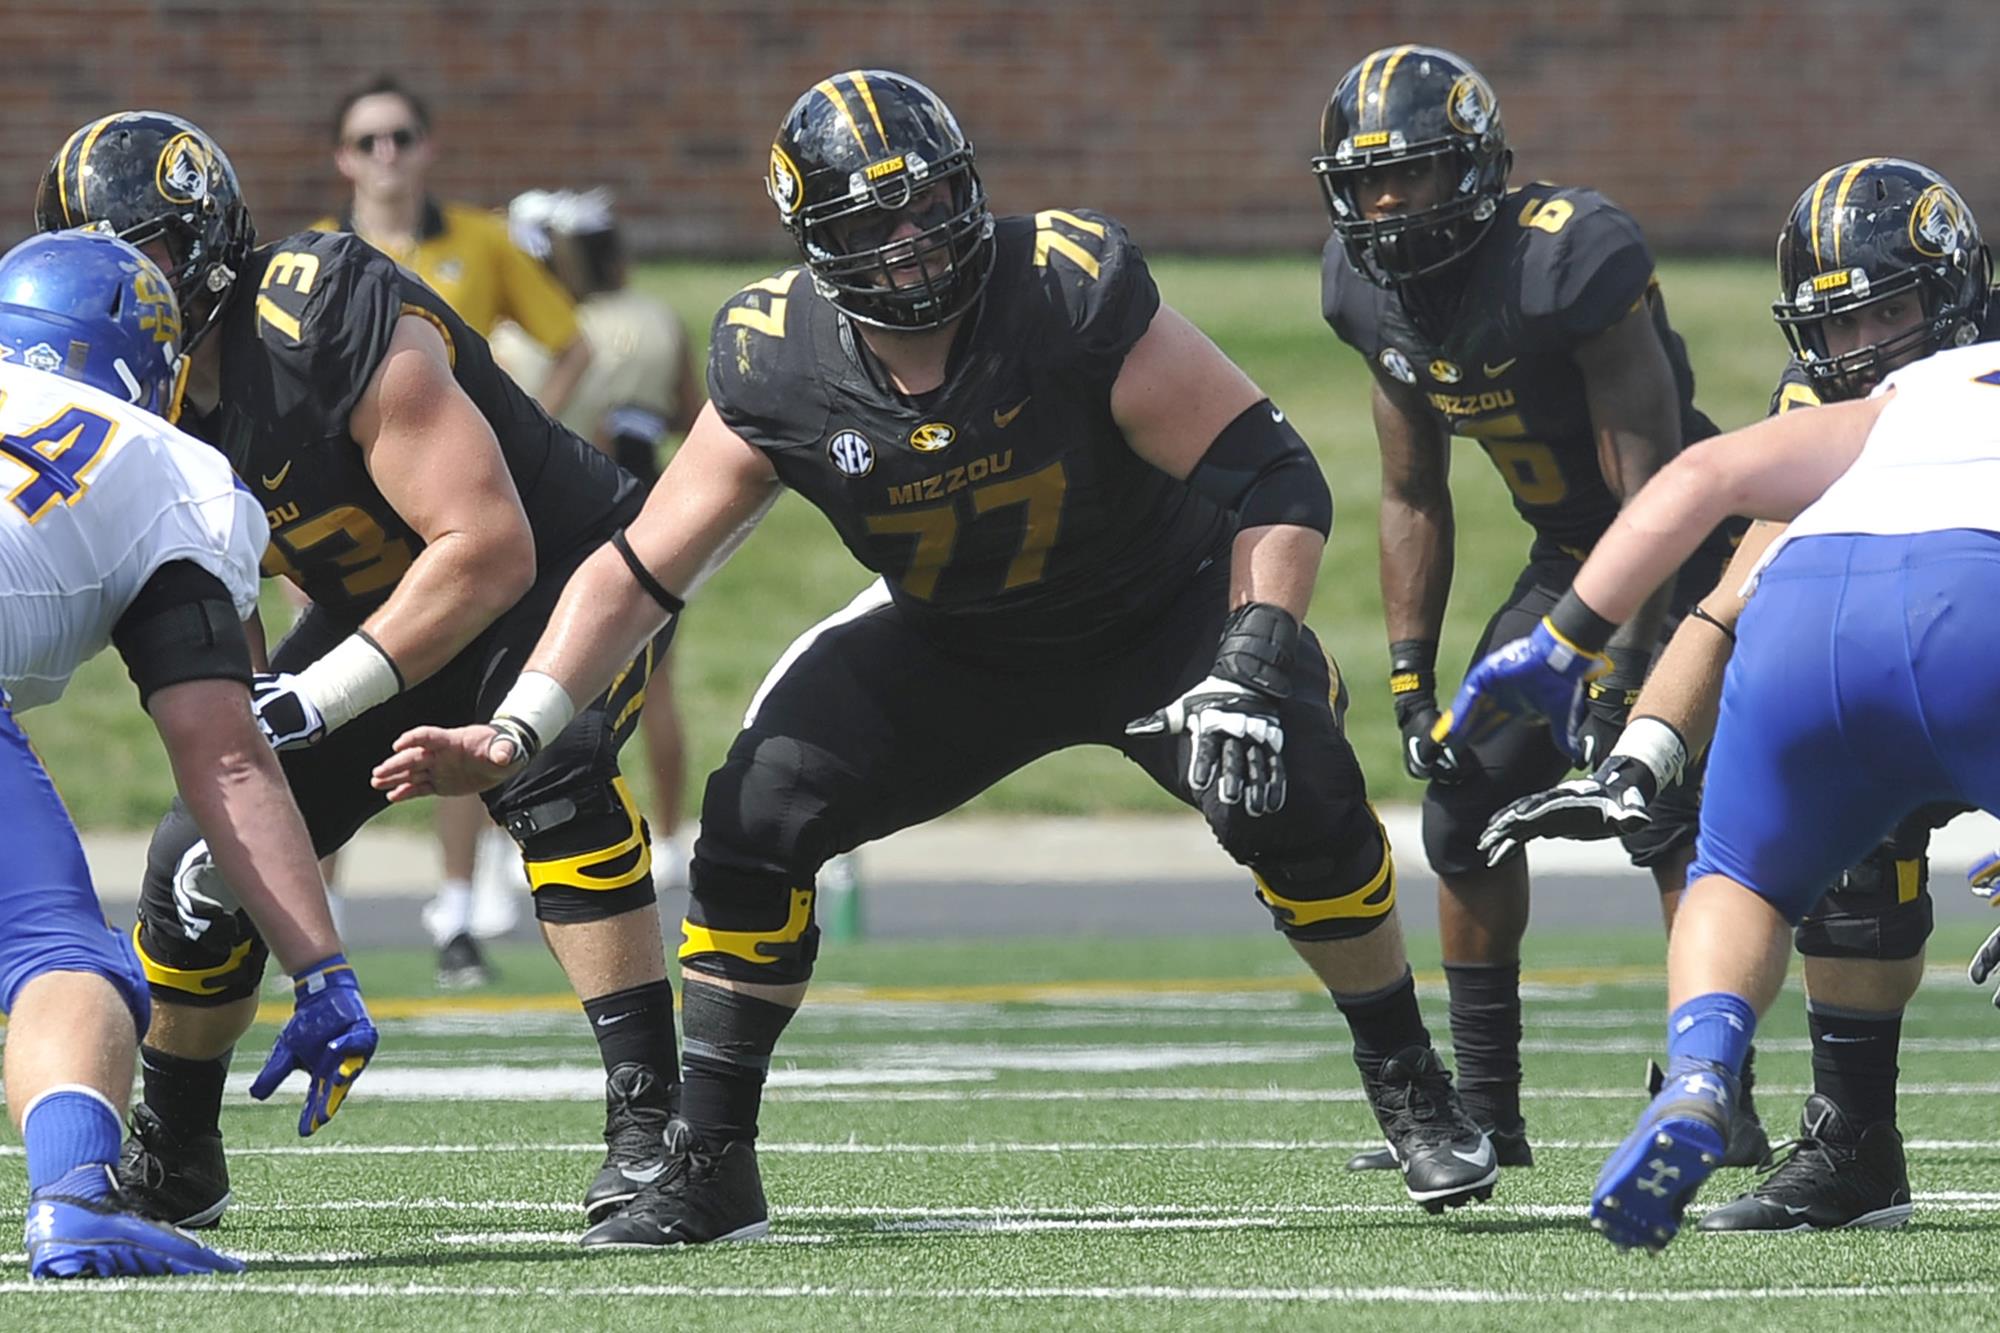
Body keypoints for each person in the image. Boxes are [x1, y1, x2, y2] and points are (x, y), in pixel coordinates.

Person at [373, 67, 1500, 1246]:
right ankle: (708, 1160)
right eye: (871, 222)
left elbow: (1271, 474)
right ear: (815, 240)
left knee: (1295, 786)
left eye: (925, 207)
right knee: (755, 813)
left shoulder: (1064, 286)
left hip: (1158, 617)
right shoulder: (777, 356)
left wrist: (1256, 652)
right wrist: (519, 726)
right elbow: (639, 568)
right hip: (952, 639)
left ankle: (1404, 1076)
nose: (909, 246)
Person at [38, 110, 676, 1233]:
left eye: (153, 257)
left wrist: (310, 700)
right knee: (198, 854)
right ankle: (176, 1151)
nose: (134, 293)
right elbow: (210, 615)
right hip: (383, 605)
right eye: (106, 268)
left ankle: (653, 1123)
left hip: (558, 572)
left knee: (551, 771)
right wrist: (247, 745)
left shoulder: (316, 308)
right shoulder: (138, 389)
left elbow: (487, 547)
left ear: (212, 238)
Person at [1478, 158, 1994, 1232]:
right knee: (1857, 861)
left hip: (1818, 636)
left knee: (1744, 875)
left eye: (1883, 313)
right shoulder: (1886, 400)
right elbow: (1725, 592)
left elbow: (1696, 494)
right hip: (1965, 614)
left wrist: (1573, 651)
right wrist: (1644, 749)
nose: (1857, 350)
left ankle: (1698, 1075)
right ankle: (1849, 1145)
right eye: (1833, 328)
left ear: (1950, 289)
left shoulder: (1889, 408)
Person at [1310, 44, 1762, 1170]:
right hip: (1569, 553)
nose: (1381, 203)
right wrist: (1411, 678)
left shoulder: (1570, 258)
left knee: (1662, 803)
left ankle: (1718, 1093)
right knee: (1459, 805)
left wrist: (1623, 670)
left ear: (1478, 168)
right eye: (1362, 181)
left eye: (1407, 174)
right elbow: (1412, 489)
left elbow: (1653, 495)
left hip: (1684, 550)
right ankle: (1485, 1110)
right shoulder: (1361, 285)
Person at [0, 231, 377, 1277]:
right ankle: (75, 1196)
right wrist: (321, 969)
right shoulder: (166, 462)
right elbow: (225, 752)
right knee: (62, 964)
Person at [322, 75, 597, 986]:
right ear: (343, 158)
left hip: (455, 511)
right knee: (311, 711)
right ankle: (314, 923)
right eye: (368, 142)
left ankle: (454, 916)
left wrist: (526, 432)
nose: (387, 156)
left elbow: (570, 340)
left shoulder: (477, 239)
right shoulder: (320, 259)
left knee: (451, 714)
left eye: (400, 136)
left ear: (428, 145)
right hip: (352, 518)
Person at [492, 188, 699, 891]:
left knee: (538, 679)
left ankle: (535, 831)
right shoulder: (657, 320)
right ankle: (671, 835)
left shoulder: (528, 334)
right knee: (657, 681)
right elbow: (689, 414)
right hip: (648, 516)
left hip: (560, 520)